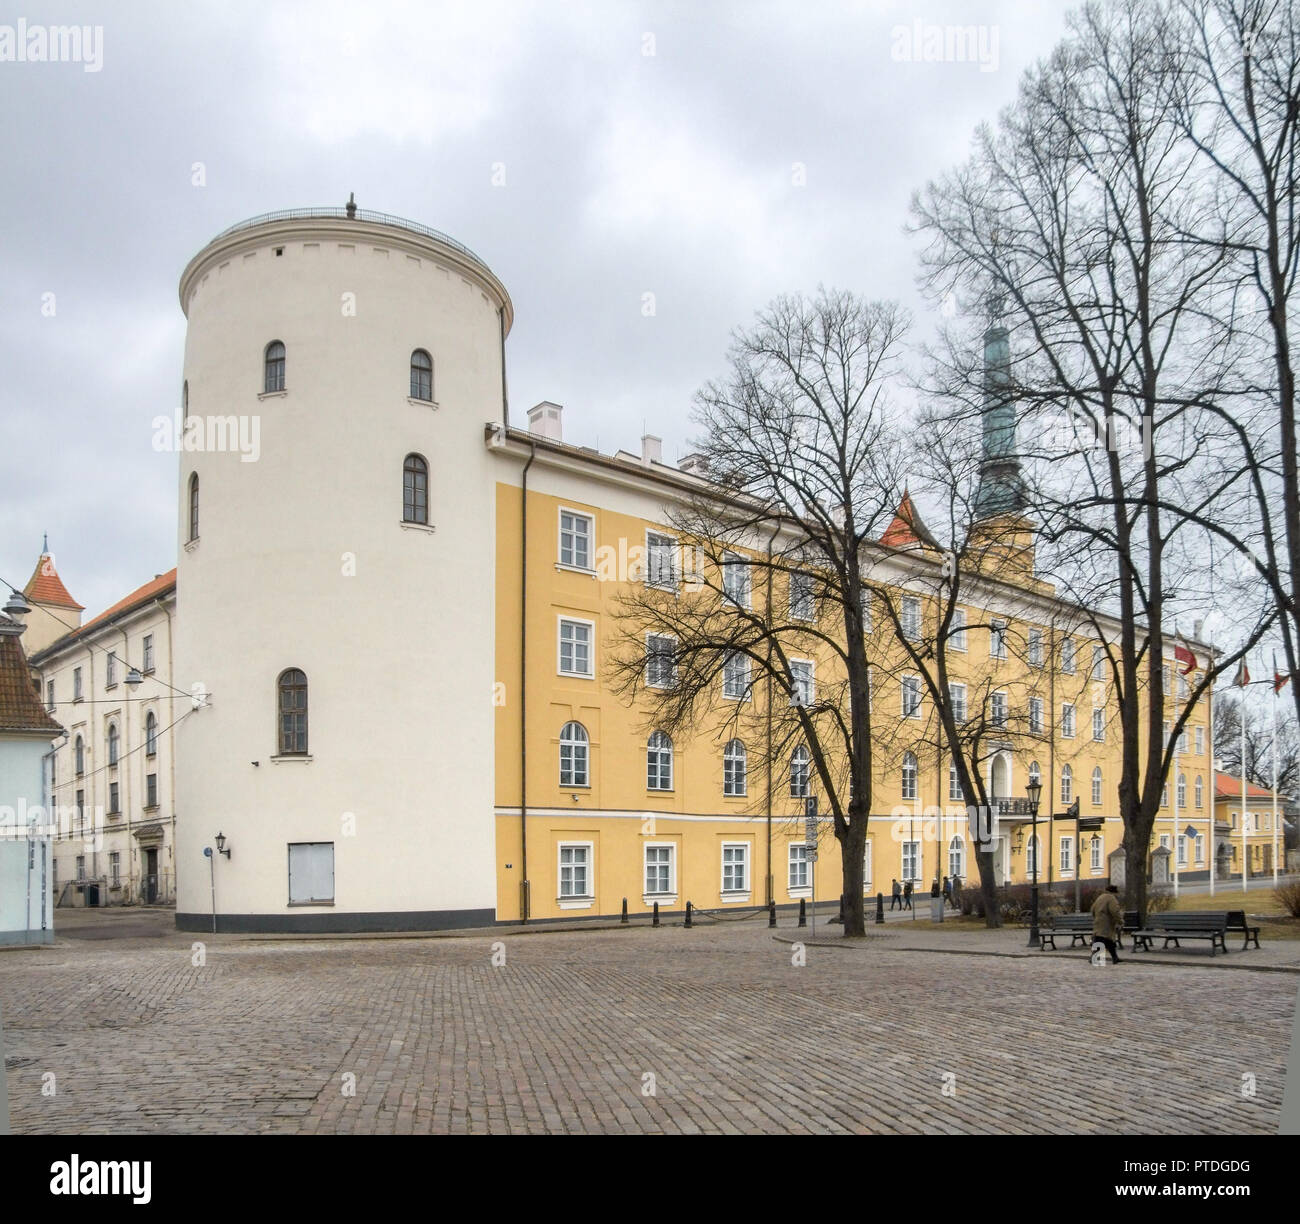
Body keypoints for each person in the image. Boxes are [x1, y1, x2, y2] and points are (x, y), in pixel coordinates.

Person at [1090, 883, 1124, 964]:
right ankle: (1094, 957)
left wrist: (1096, 917)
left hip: (1098, 922)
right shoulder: (1111, 898)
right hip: (1106, 923)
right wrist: (1120, 921)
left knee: (1108, 940)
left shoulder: (1100, 897)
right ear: (1114, 892)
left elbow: (1092, 909)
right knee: (1102, 939)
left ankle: (1115, 958)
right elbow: (1115, 911)